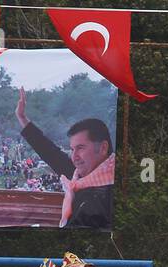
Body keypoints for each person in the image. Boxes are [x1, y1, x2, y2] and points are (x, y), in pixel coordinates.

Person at [16, 90, 114, 228]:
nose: (74, 157)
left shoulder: (111, 195)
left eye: (80, 148)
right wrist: (22, 118)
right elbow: (51, 153)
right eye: (72, 149)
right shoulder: (80, 178)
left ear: (103, 148)